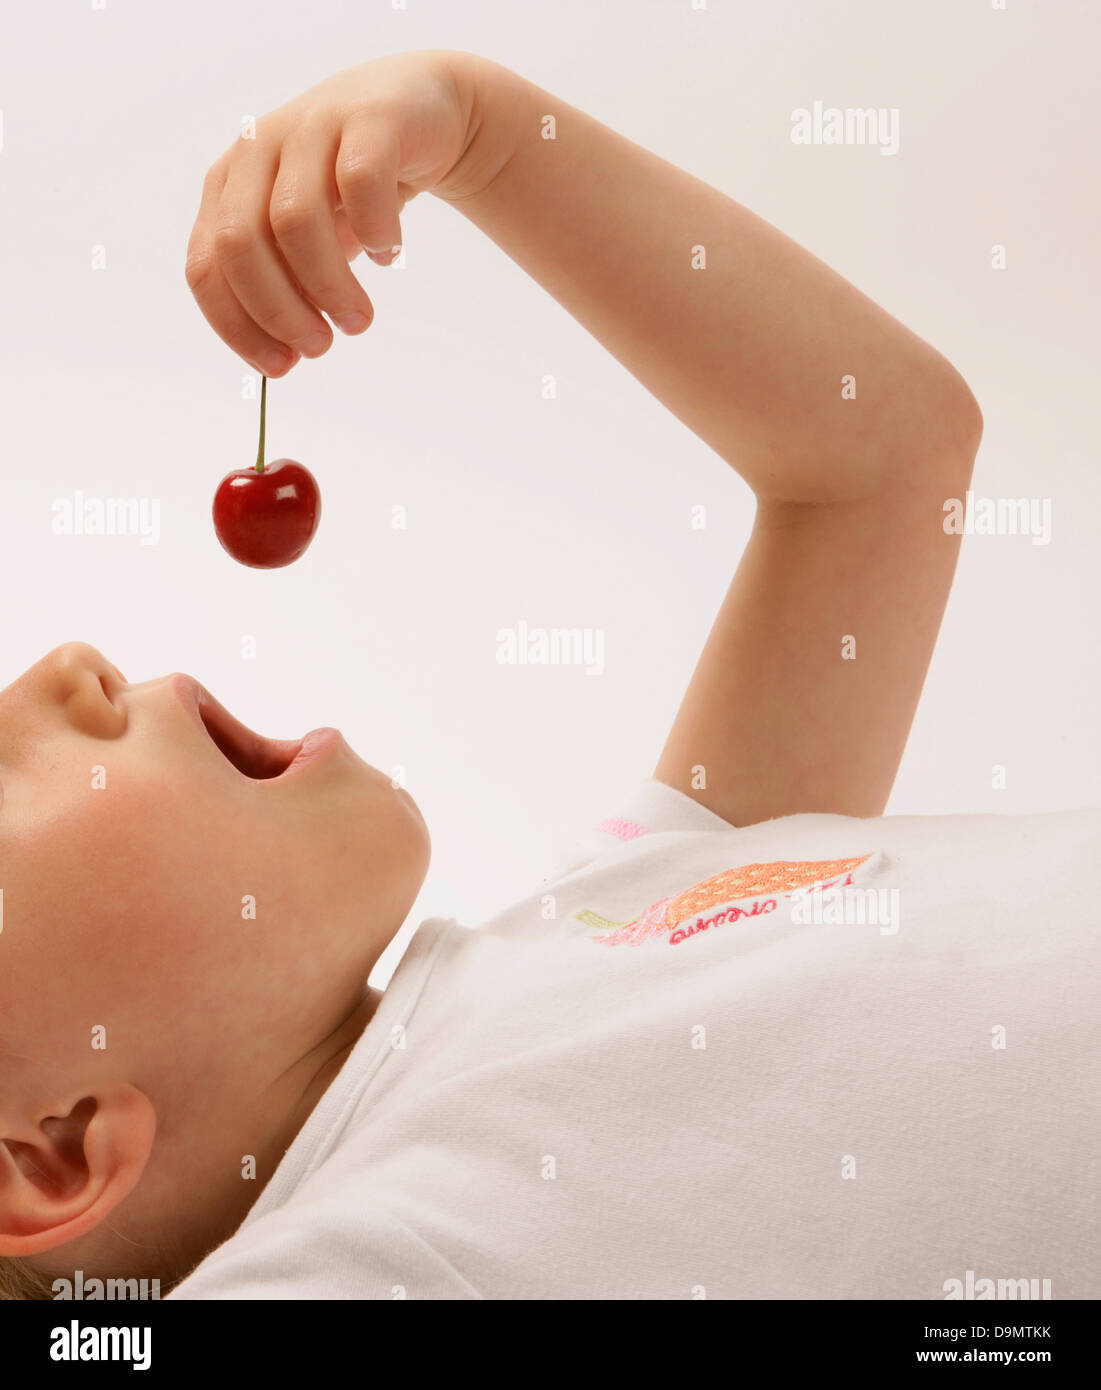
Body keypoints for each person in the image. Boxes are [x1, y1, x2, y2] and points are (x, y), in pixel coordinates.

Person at [1, 50, 1094, 1300]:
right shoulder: (355, 1251)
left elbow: (884, 458)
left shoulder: (619, 894)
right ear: (54, 1154)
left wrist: (489, 142)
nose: (61, 666)